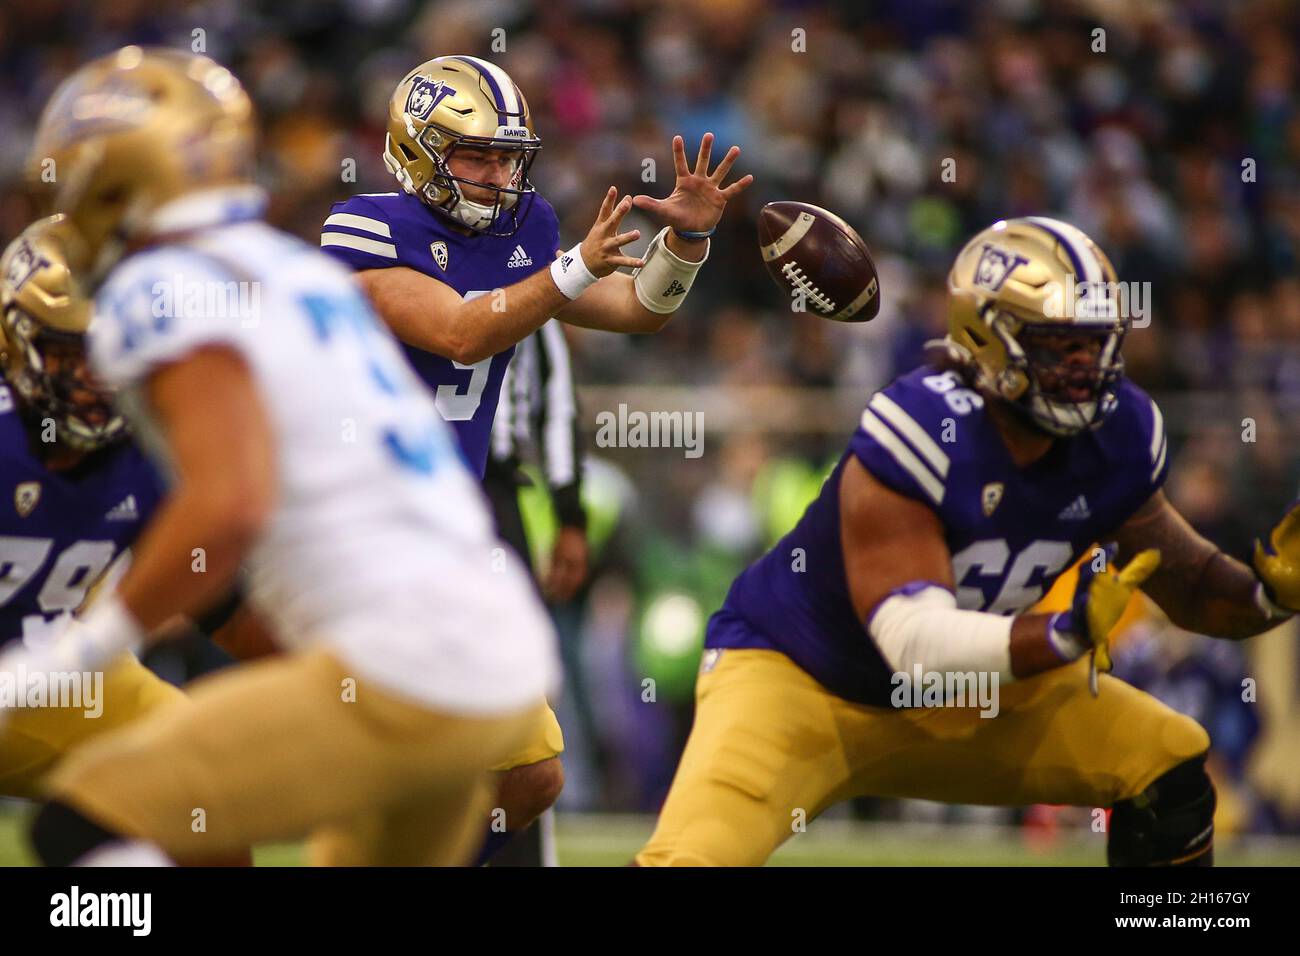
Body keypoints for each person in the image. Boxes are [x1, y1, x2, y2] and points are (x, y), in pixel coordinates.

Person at [4, 45, 559, 867]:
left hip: (400, 669)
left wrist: (72, 655)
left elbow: (227, 504)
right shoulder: (294, 269)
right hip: (497, 651)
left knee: (83, 830)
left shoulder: (156, 289)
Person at [636, 216, 1300, 867]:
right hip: (800, 683)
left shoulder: (1118, 435)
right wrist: (1062, 636)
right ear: (988, 339)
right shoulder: (921, 424)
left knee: (1168, 766)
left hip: (969, 696)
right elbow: (915, 643)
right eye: (1058, 345)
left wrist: (1266, 595)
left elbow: (1190, 584)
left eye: (1096, 342)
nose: (1085, 367)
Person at [320, 54, 752, 858]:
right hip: (354, 527)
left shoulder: (529, 228)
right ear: (417, 151)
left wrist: (684, 242)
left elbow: (632, 309)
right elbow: (458, 330)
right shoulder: (365, 225)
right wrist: (574, 265)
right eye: (476, 155)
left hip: (450, 532)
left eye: (507, 157)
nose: (496, 175)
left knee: (530, 776)